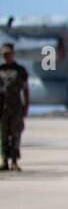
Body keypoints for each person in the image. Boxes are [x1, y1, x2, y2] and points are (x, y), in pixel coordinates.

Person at [0, 43, 31, 172]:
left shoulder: (20, 70)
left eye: (8, 54)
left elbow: (25, 89)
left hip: (16, 107)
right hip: (2, 107)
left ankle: (14, 161)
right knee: (3, 135)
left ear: (13, 54)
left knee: (15, 134)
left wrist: (26, 106)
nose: (7, 56)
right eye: (4, 55)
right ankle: (4, 161)